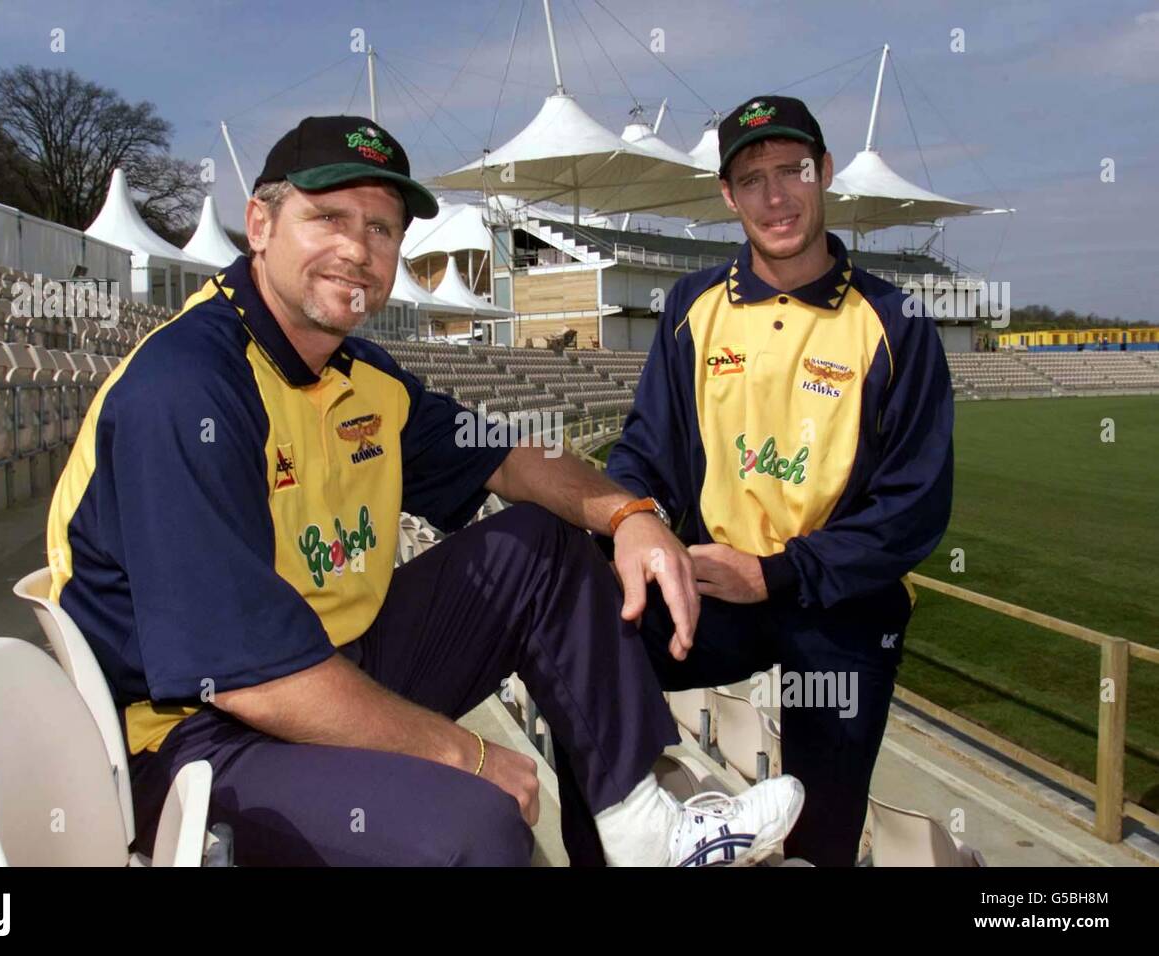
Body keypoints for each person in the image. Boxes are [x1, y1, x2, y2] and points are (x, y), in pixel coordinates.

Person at [46, 115, 803, 867]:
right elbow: (251, 681)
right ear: (259, 224)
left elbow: (505, 456)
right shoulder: (187, 389)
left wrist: (632, 515)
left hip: (331, 661)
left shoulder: (360, 374)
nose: (357, 249)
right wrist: (468, 754)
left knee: (542, 546)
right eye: (329, 217)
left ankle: (641, 830)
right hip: (195, 738)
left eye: (381, 229)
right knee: (476, 827)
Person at [605, 95, 954, 866]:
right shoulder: (691, 306)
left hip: (839, 604)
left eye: (793, 169)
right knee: (586, 641)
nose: (776, 195)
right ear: (728, 196)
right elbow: (644, 452)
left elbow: (914, 510)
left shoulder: (898, 321)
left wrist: (780, 573)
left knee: (818, 833)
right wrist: (635, 517)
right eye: (751, 178)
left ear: (824, 172)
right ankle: (638, 835)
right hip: (715, 586)